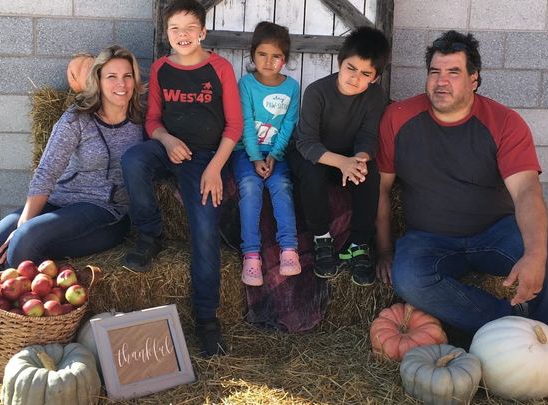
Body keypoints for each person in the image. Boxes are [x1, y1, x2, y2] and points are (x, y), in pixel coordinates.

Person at [375, 30, 548, 340]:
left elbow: (526, 191)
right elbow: (380, 189)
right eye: (434, 72)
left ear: (474, 79)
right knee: (408, 279)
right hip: (428, 237)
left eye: (453, 72)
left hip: (495, 232)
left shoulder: (504, 122)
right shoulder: (398, 118)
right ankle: (511, 326)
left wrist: (534, 253)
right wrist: (384, 250)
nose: (441, 82)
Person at [120, 0, 242, 357]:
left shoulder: (219, 68)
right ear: (167, 33)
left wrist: (215, 167)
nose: (183, 35)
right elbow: (152, 121)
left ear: (202, 32)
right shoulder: (161, 68)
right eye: (175, 28)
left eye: (190, 28)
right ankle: (150, 235)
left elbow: (235, 125)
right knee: (133, 159)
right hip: (169, 148)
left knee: (204, 228)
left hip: (203, 158)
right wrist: (166, 139)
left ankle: (206, 319)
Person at [0, 45, 145, 276]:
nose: (121, 84)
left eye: (127, 76)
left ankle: (22, 295)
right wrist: (23, 223)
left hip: (106, 212)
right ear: (98, 81)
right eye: (111, 77)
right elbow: (46, 171)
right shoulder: (77, 118)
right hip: (61, 201)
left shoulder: (141, 120)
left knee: (26, 240)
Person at [287, 26, 389, 286]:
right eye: (351, 68)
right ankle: (321, 238)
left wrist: (359, 160)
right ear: (340, 62)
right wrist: (343, 163)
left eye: (365, 73)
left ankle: (358, 244)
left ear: (375, 78)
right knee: (312, 172)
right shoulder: (317, 92)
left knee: (370, 173)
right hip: (311, 153)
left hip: (348, 154)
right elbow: (307, 142)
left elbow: (368, 136)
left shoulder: (376, 96)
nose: (355, 78)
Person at [233, 21, 301, 287]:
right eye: (262, 54)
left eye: (276, 56)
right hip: (246, 151)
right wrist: (256, 157)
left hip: (276, 153)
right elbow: (246, 123)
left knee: (282, 185)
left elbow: (289, 124)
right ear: (252, 54)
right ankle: (251, 255)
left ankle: (289, 249)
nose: (269, 61)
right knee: (250, 186)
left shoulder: (292, 87)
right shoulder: (246, 84)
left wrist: (274, 155)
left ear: (285, 59)